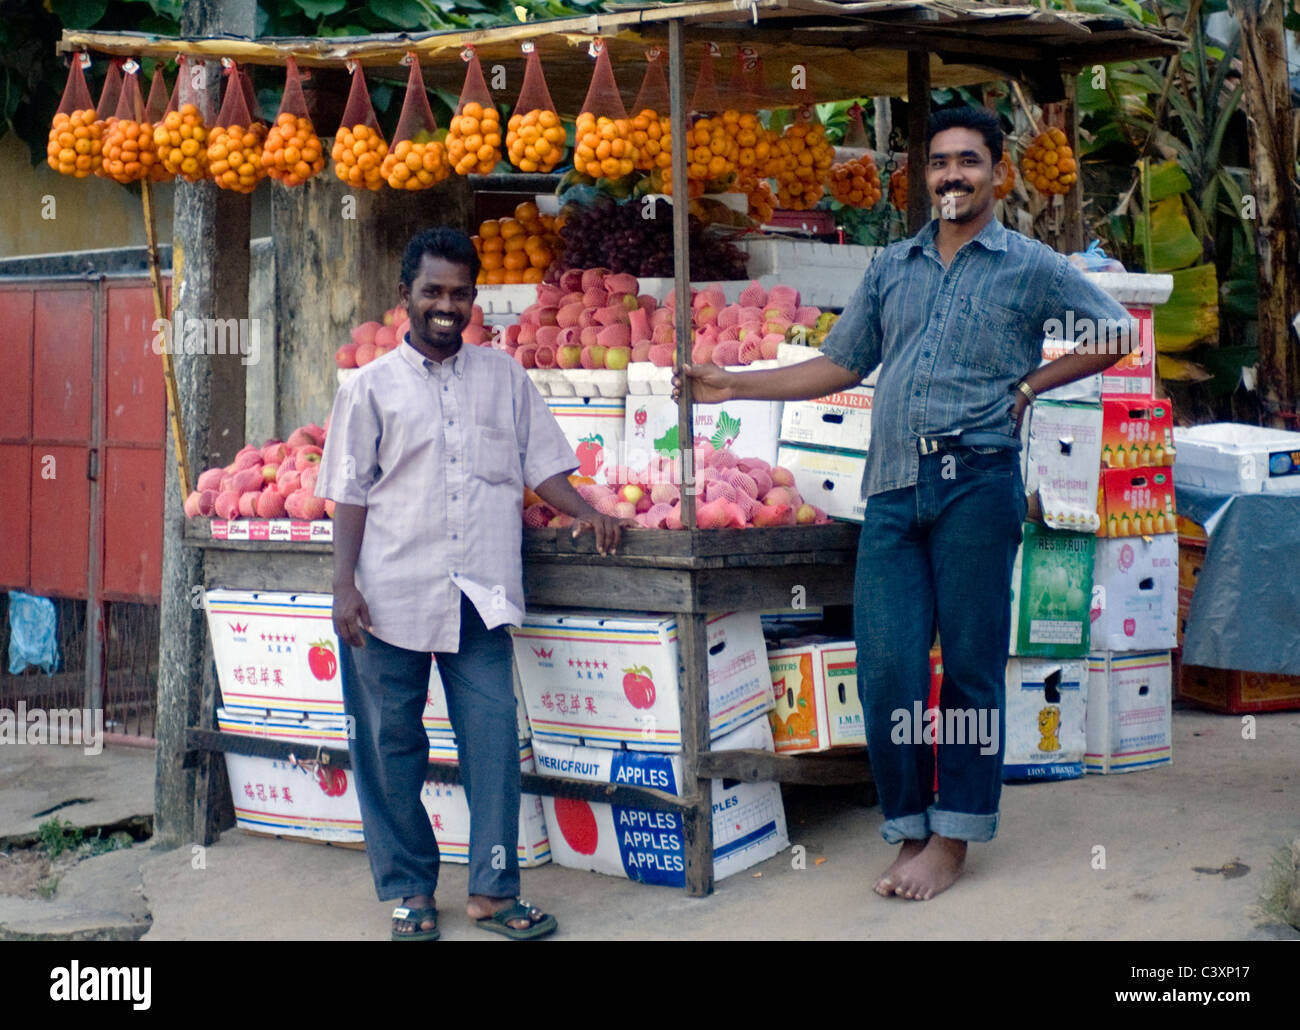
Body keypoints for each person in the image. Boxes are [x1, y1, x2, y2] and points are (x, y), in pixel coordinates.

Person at [678, 106, 1134, 901]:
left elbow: (1115, 331)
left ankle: (954, 834)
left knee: (968, 670)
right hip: (890, 487)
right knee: (886, 666)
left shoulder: (1028, 265)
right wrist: (732, 383)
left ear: (999, 172)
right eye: (938, 163)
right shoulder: (894, 265)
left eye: (968, 161)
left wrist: (1028, 386)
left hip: (978, 485)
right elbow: (841, 364)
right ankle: (909, 824)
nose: (952, 175)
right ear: (922, 177)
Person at [316, 227, 632, 940]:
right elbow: (348, 493)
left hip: (480, 592)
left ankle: (494, 890)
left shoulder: (504, 377)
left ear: (474, 299)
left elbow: (540, 465)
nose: (445, 305)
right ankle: (411, 891)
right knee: (389, 745)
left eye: (459, 293)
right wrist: (343, 588)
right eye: (432, 291)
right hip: (389, 594)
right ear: (406, 296)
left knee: (491, 741)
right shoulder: (369, 390)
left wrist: (587, 512)